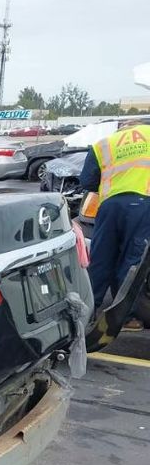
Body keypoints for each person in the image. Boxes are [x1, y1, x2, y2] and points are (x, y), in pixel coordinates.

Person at [80, 119, 150, 331]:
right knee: (132, 261)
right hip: (143, 203)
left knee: (101, 258)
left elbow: (87, 181)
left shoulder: (104, 144)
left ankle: (87, 312)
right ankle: (126, 317)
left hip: (109, 205)